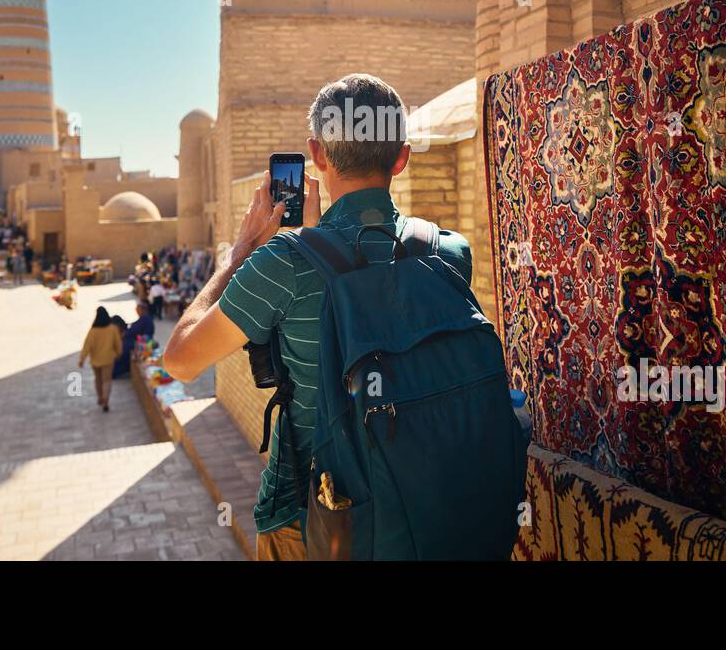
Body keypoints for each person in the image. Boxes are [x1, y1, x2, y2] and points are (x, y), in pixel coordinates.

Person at [163, 74, 471, 561]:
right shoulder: (449, 252)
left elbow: (179, 361)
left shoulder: (281, 264)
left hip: (317, 521)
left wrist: (242, 248)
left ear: (318, 155)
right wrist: (316, 238)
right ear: (401, 158)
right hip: (416, 509)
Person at [79, 306, 122, 412]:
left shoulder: (93, 330)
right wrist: (118, 353)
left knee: (98, 380)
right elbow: (118, 343)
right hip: (108, 359)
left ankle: (100, 397)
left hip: (95, 361)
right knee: (107, 380)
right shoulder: (112, 329)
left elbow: (87, 345)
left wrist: (82, 359)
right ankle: (106, 400)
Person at [113, 300, 155, 379]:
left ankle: (116, 371)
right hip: (132, 342)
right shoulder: (144, 319)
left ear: (143, 309)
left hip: (137, 345)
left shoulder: (146, 320)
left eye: (138, 309)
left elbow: (146, 336)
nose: (136, 311)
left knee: (123, 353)